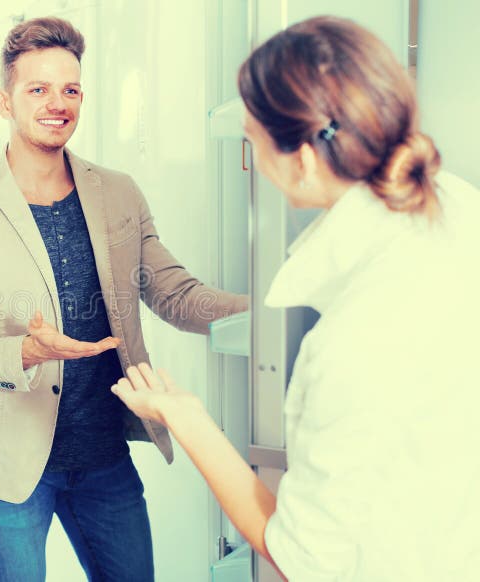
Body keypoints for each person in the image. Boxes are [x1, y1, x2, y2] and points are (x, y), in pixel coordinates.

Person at [112, 15, 480, 582]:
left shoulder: (350, 344)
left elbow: (302, 560)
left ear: (304, 160)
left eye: (253, 143)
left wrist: (184, 416)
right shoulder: (461, 207)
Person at [0, 16, 247, 582]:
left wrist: (264, 314)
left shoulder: (118, 191)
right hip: (12, 465)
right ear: (4, 100)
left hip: (104, 455)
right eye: (37, 89)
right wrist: (25, 351)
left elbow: (174, 294)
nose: (57, 103)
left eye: (70, 89)